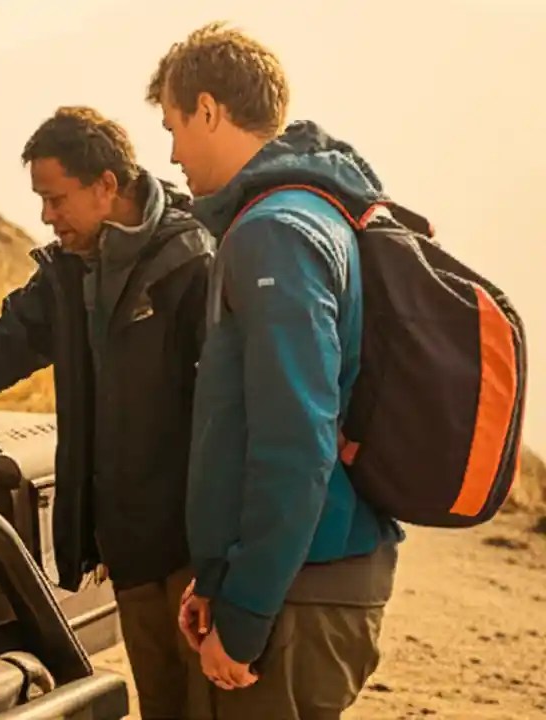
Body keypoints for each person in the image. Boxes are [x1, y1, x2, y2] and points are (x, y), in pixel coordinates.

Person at [0, 106, 216, 719]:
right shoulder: (69, 272)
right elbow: (7, 339)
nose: (46, 216)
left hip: (197, 549)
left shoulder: (192, 261)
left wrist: (225, 558)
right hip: (132, 546)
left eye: (56, 198)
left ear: (107, 184)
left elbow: (228, 413)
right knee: (164, 708)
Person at [145, 22, 403, 719]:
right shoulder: (304, 215)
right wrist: (219, 583)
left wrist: (248, 612)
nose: (172, 154)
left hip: (300, 589)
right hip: (297, 576)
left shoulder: (274, 234)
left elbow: (295, 442)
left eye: (173, 126)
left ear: (208, 109)